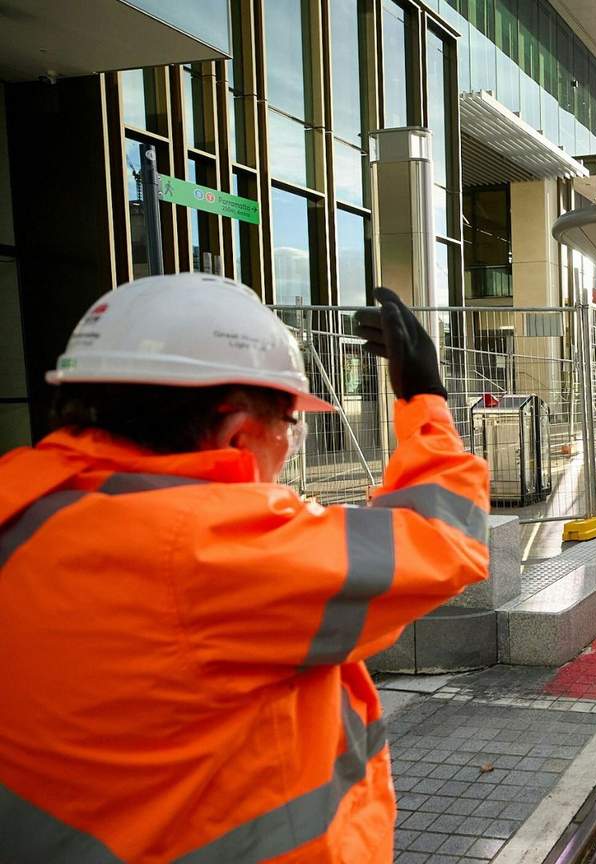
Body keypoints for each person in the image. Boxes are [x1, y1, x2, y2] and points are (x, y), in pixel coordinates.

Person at [0, 274, 490, 862]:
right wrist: (425, 402)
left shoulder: (21, 508)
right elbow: (445, 536)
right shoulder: (204, 546)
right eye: (290, 429)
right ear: (238, 435)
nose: (289, 448)